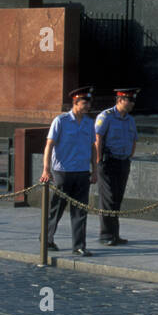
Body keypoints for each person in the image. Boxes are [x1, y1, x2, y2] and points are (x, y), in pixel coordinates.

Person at [41, 86, 98, 256]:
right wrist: (46, 169)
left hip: (82, 172)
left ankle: (79, 246)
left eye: (89, 103)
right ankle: (47, 239)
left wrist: (94, 170)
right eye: (84, 103)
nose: (87, 106)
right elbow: (49, 145)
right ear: (75, 103)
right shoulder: (61, 121)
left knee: (80, 211)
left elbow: (92, 147)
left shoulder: (89, 123)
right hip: (62, 172)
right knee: (56, 209)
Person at [94, 87, 140, 246]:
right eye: (130, 100)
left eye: (133, 100)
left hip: (123, 162)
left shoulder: (130, 119)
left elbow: (134, 139)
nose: (132, 103)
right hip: (108, 161)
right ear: (120, 100)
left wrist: (129, 157)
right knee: (108, 199)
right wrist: (99, 161)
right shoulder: (106, 116)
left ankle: (115, 234)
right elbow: (97, 139)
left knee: (117, 199)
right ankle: (105, 235)